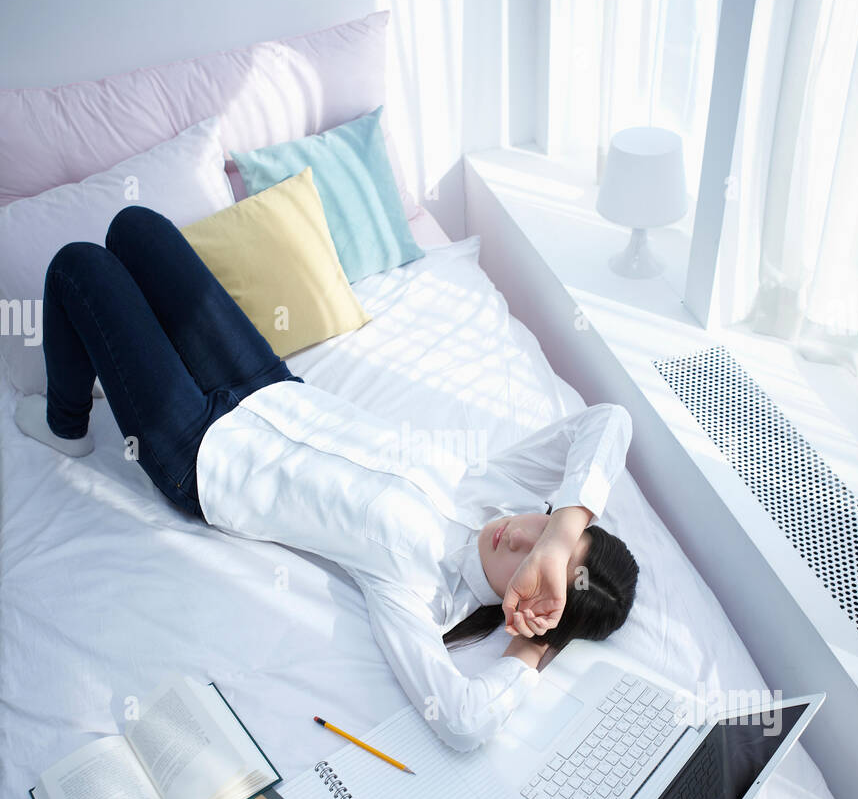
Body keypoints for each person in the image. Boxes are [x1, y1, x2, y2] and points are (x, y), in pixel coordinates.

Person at [15, 205, 639, 751]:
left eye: (533, 565)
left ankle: (65, 424)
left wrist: (532, 650)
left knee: (78, 267)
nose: (523, 537)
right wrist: (564, 533)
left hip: (200, 453)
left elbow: (464, 722)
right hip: (268, 387)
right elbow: (609, 420)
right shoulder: (497, 490)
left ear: (525, 607)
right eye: (546, 528)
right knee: (135, 228)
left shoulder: (419, 594)